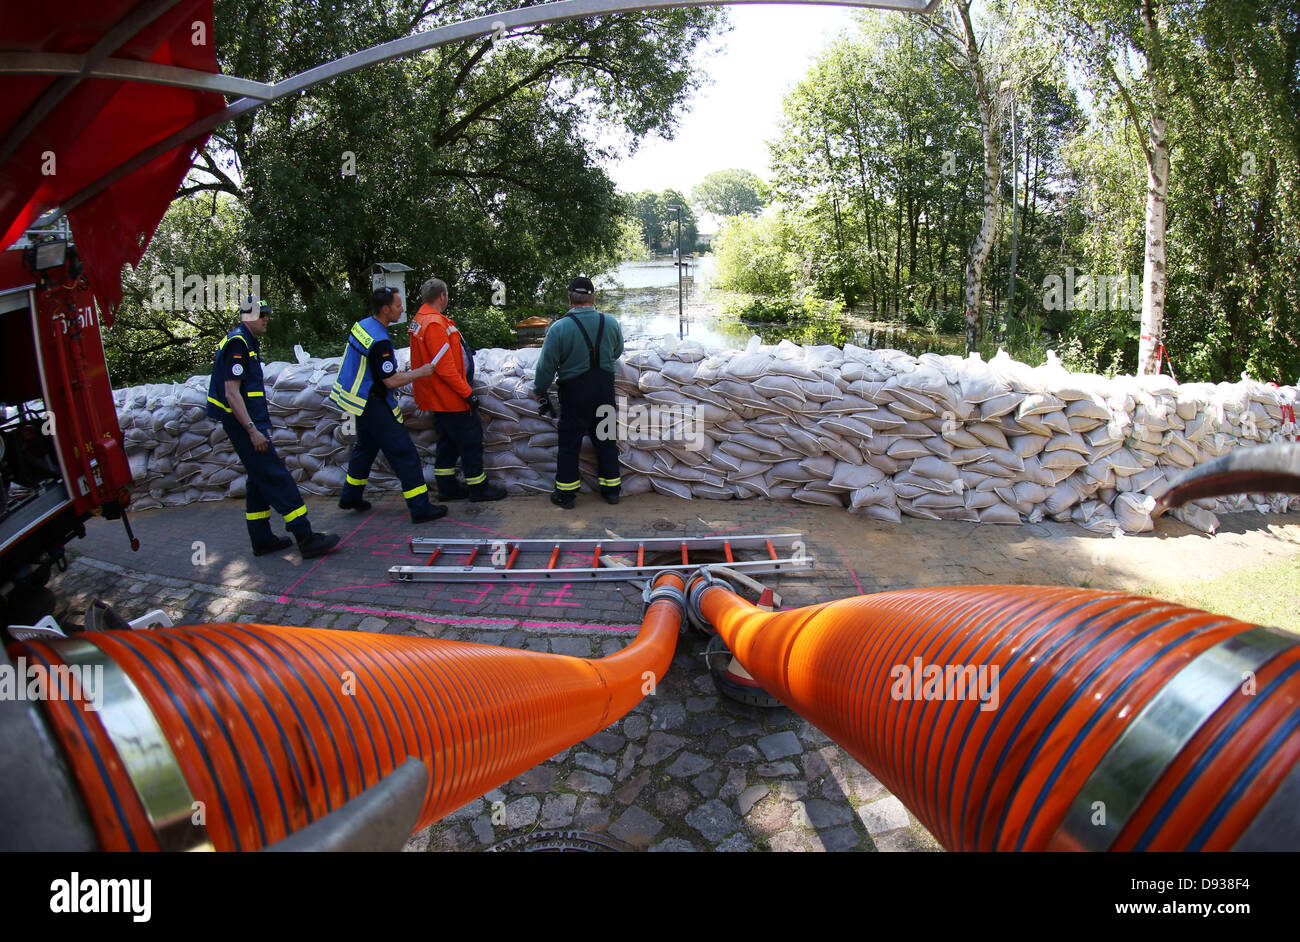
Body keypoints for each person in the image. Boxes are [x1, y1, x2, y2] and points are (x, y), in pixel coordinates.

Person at [206, 297, 339, 559]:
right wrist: (252, 430)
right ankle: (305, 537)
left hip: (248, 423)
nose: (266, 318)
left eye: (267, 313)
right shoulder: (238, 343)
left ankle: (262, 539)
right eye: (261, 314)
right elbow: (232, 393)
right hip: (244, 425)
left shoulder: (246, 342)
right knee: (276, 476)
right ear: (246, 317)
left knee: (258, 480)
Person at [330, 286, 447, 523]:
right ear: (385, 310)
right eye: (397, 306)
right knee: (405, 454)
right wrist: (420, 372)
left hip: (354, 400)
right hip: (371, 403)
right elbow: (390, 379)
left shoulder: (363, 325)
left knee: (365, 449)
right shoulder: (380, 341)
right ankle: (420, 507)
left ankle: (350, 496)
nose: (401, 309)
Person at [409, 278, 506, 502]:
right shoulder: (433, 323)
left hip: (438, 397)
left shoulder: (421, 319)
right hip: (450, 397)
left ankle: (447, 487)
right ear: (442, 296)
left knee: (447, 443)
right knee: (470, 441)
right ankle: (478, 488)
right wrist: (466, 392)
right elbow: (444, 367)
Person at [533, 276, 623, 509]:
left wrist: (539, 390)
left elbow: (546, 366)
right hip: (604, 389)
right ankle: (612, 491)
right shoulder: (611, 323)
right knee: (606, 439)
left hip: (575, 393)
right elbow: (617, 351)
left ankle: (565, 495)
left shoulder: (559, 328)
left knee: (570, 443)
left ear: (570, 299)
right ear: (593, 298)